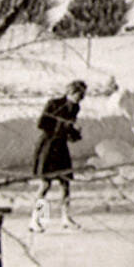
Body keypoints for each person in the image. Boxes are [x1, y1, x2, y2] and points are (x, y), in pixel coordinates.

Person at [29, 80, 86, 231]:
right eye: (79, 95)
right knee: (45, 184)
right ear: (71, 92)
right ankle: (37, 220)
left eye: (83, 96)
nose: (81, 98)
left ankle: (66, 218)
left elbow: (68, 133)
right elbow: (42, 124)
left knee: (65, 183)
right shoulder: (54, 103)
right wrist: (65, 126)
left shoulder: (75, 107)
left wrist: (75, 133)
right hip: (47, 147)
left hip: (61, 148)